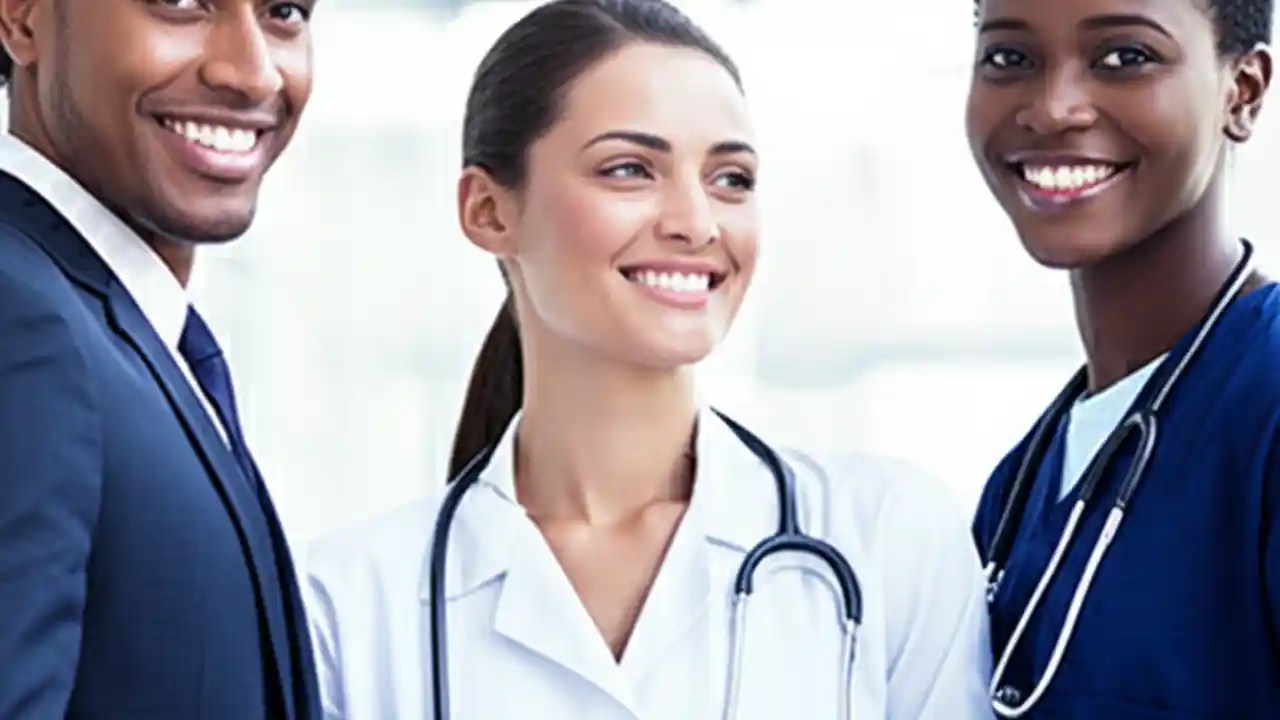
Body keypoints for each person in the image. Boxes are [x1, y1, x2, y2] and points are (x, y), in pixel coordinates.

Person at [304, 1, 991, 718]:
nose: (695, 222)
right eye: (630, 169)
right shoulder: (350, 603)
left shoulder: (883, 538)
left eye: (731, 179)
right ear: (488, 211)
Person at [0, 0, 320, 717]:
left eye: (285, 12)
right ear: (22, 19)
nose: (252, 72)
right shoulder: (19, 321)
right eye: (180, 4)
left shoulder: (122, 338)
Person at [966, 0, 1279, 716]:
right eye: (1011, 58)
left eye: (1126, 57)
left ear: (1244, 91)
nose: (1053, 109)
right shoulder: (1017, 490)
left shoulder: (1264, 400)